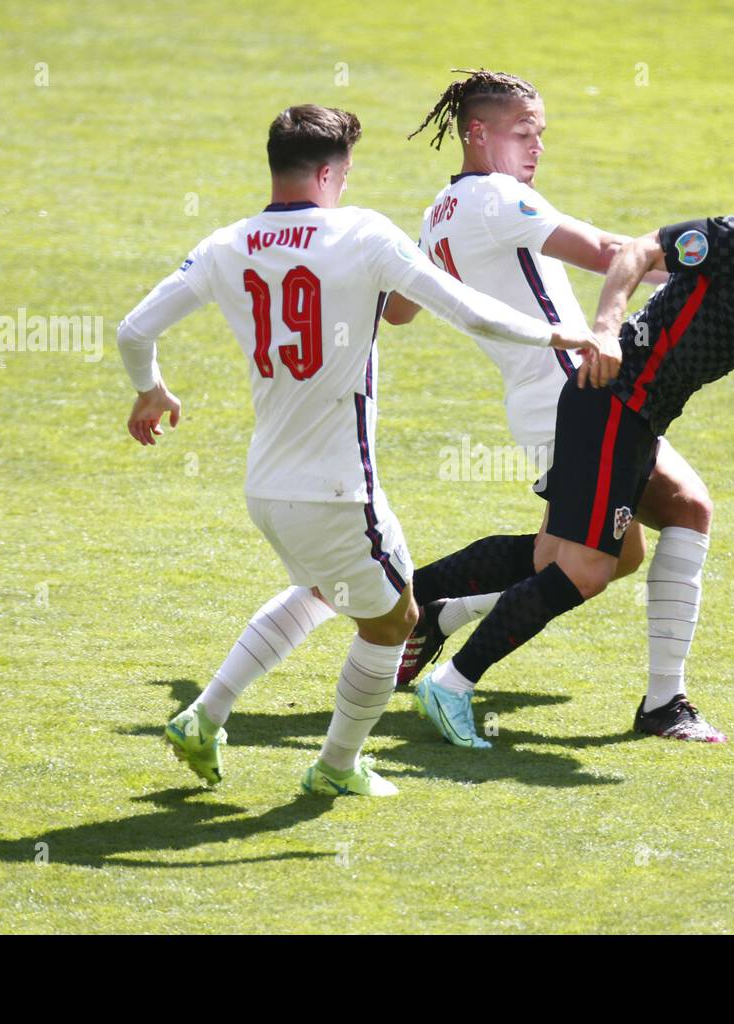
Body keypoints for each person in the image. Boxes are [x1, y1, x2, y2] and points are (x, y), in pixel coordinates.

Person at [116, 104, 597, 796]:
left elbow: (134, 330)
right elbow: (467, 309)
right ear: (326, 172)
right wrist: (562, 337)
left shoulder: (225, 245)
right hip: (341, 490)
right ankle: (337, 768)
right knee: (394, 621)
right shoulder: (363, 232)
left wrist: (150, 391)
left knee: (320, 592)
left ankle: (205, 715)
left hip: (267, 487)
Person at [413, 164, 734, 751]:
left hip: (639, 420)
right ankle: (451, 682)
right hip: (609, 404)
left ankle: (418, 603)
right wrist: (605, 327)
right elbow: (641, 250)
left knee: (580, 551)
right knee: (585, 569)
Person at [384, 71, 720, 748]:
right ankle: (663, 703)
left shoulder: (439, 214)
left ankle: (432, 611)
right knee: (676, 515)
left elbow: (399, 310)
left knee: (589, 557)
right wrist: (715, 268)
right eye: (523, 132)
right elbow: (607, 252)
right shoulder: (496, 198)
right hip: (581, 391)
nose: (536, 147)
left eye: (541, 133)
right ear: (478, 133)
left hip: (540, 399)